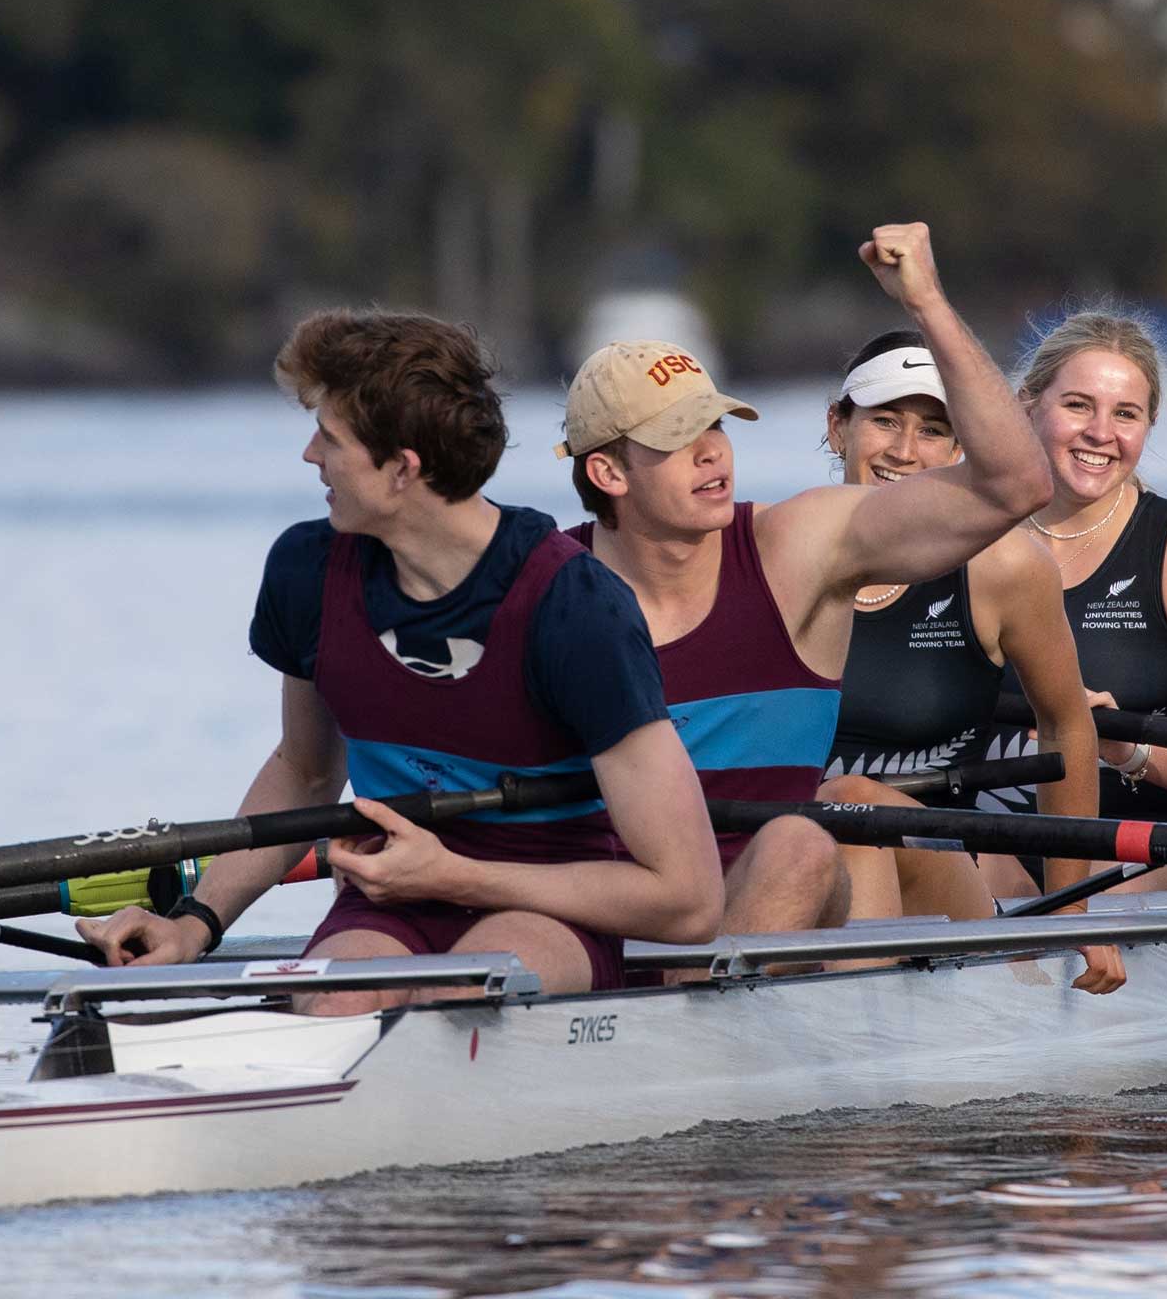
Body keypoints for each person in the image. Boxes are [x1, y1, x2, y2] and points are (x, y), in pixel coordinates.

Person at [79, 309, 722, 1013]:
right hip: (389, 903)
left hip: (552, 905)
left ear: (401, 470)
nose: (310, 456)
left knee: (460, 995)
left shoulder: (574, 607)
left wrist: (457, 875)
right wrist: (194, 924)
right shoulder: (307, 572)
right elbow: (306, 772)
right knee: (332, 1004)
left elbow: (689, 901)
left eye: (330, 438)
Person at [560, 223, 1054, 943]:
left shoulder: (794, 547)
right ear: (607, 472)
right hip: (621, 913)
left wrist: (926, 303)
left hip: (775, 894)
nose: (712, 455)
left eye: (716, 428)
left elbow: (1017, 484)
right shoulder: (546, 587)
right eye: (677, 439)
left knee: (818, 832)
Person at [810, 329, 1122, 992]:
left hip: (940, 868)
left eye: (932, 430)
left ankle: (853, 1028)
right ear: (838, 427)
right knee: (826, 821)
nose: (904, 450)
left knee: (854, 804)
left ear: (958, 450)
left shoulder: (1001, 567)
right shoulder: (777, 553)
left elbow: (1066, 724)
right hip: (791, 855)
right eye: (885, 421)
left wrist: (1073, 909)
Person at [974, 308, 1167, 886]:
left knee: (1112, 881)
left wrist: (1124, 749)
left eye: (1125, 414)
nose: (1100, 433)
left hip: (1133, 860)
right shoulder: (966, 540)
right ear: (1028, 404)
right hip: (984, 859)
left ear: (1148, 425)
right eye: (1077, 405)